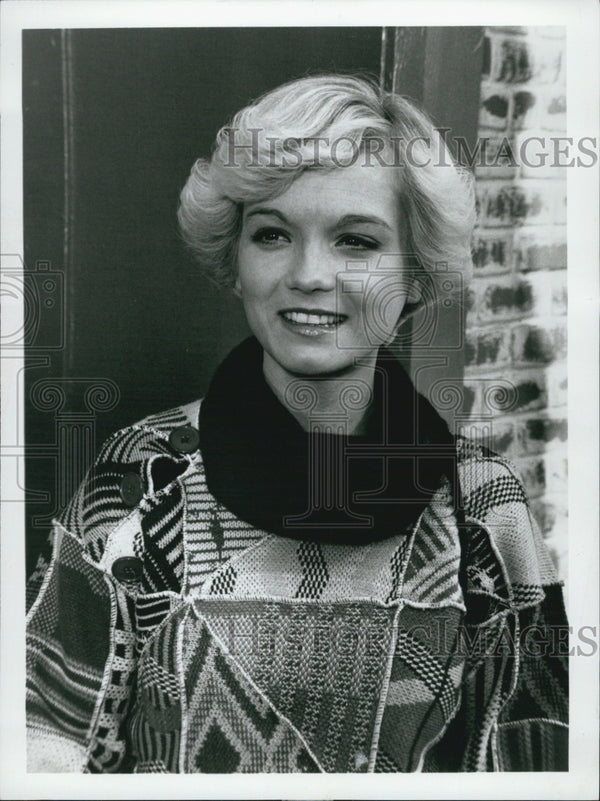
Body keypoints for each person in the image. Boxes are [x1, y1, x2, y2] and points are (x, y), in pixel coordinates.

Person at [26, 74, 568, 773]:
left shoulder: (481, 507)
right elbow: (42, 735)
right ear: (235, 258)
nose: (309, 274)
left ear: (417, 273)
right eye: (274, 233)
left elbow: (540, 755)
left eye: (356, 242)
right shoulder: (141, 472)